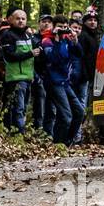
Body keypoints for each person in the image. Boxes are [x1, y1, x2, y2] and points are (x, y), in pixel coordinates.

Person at [0, 8, 40, 133]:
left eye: (23, 19)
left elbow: (37, 49)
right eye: (18, 18)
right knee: (18, 108)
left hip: (28, 77)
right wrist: (30, 53)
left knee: (22, 108)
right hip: (15, 78)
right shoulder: (8, 35)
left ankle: (15, 133)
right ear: (10, 19)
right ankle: (19, 135)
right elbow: (9, 56)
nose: (21, 21)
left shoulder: (28, 35)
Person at [39, 15, 77, 144]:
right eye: (60, 27)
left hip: (65, 82)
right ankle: (59, 144)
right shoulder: (47, 41)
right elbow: (53, 59)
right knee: (66, 116)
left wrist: (75, 41)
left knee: (79, 111)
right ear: (54, 27)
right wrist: (56, 41)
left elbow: (78, 54)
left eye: (65, 27)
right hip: (53, 82)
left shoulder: (66, 40)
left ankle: (68, 140)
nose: (63, 29)